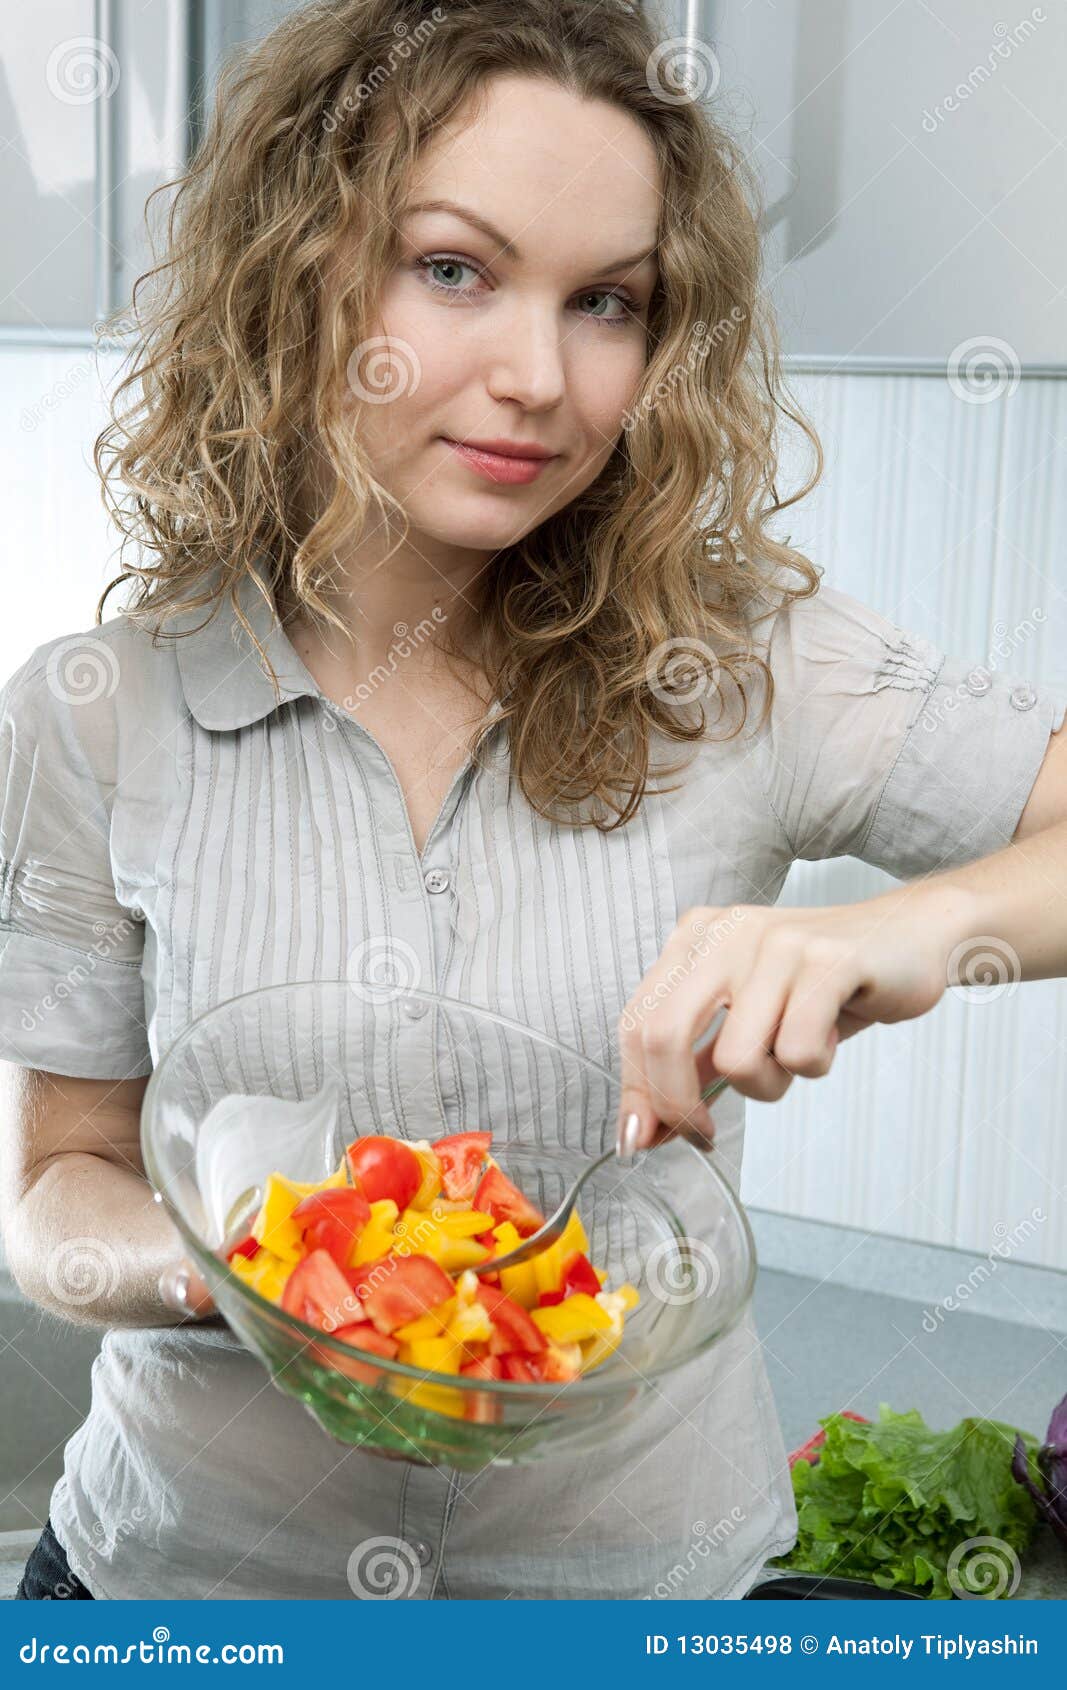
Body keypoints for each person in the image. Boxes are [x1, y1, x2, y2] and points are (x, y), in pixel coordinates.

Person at [2, 0, 1066, 1601]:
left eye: (608, 302)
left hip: (635, 1596)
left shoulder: (746, 660)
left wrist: (915, 931)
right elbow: (51, 1188)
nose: (540, 379)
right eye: (453, 269)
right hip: (185, 1586)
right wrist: (239, 1273)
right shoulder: (99, 714)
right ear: (299, 269)